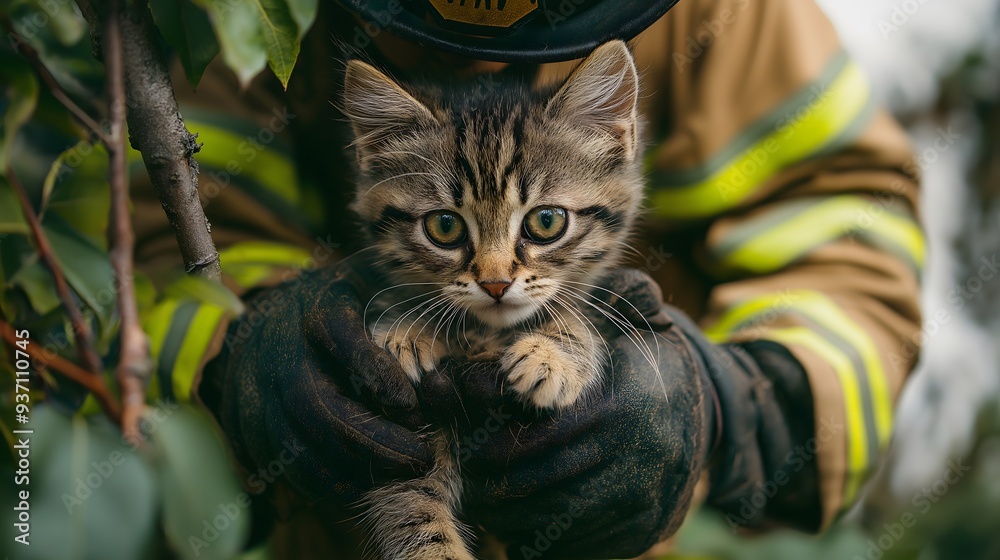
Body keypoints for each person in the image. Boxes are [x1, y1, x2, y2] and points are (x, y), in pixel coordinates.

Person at [128, 0, 923, 557]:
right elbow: (150, 243)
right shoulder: (237, 15)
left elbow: (850, 230)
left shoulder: (736, 18)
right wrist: (237, 360)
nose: (499, 274)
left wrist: (736, 408)